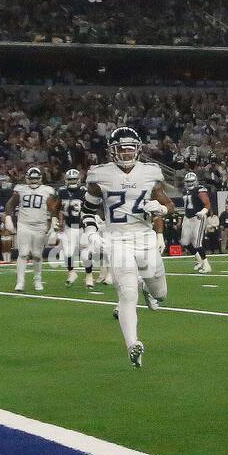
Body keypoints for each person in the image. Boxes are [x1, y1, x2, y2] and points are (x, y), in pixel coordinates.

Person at [81, 126, 173, 368]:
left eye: (130, 149)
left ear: (138, 149)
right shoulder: (99, 175)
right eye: (121, 149)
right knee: (127, 294)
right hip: (116, 240)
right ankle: (133, 344)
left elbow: (169, 205)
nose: (125, 153)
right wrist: (91, 234)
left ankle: (148, 290)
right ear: (112, 151)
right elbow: (88, 211)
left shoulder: (150, 173)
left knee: (161, 294)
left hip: (144, 238)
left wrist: (161, 209)